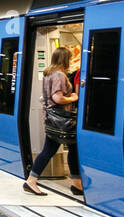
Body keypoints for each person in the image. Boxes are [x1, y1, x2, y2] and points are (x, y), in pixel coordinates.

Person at [23, 46, 84, 197]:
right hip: (61, 119)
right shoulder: (59, 75)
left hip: (52, 118)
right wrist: (74, 97)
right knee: (60, 149)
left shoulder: (48, 73)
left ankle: (76, 184)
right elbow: (58, 98)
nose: (70, 61)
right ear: (64, 59)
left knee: (62, 149)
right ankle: (31, 181)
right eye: (69, 58)